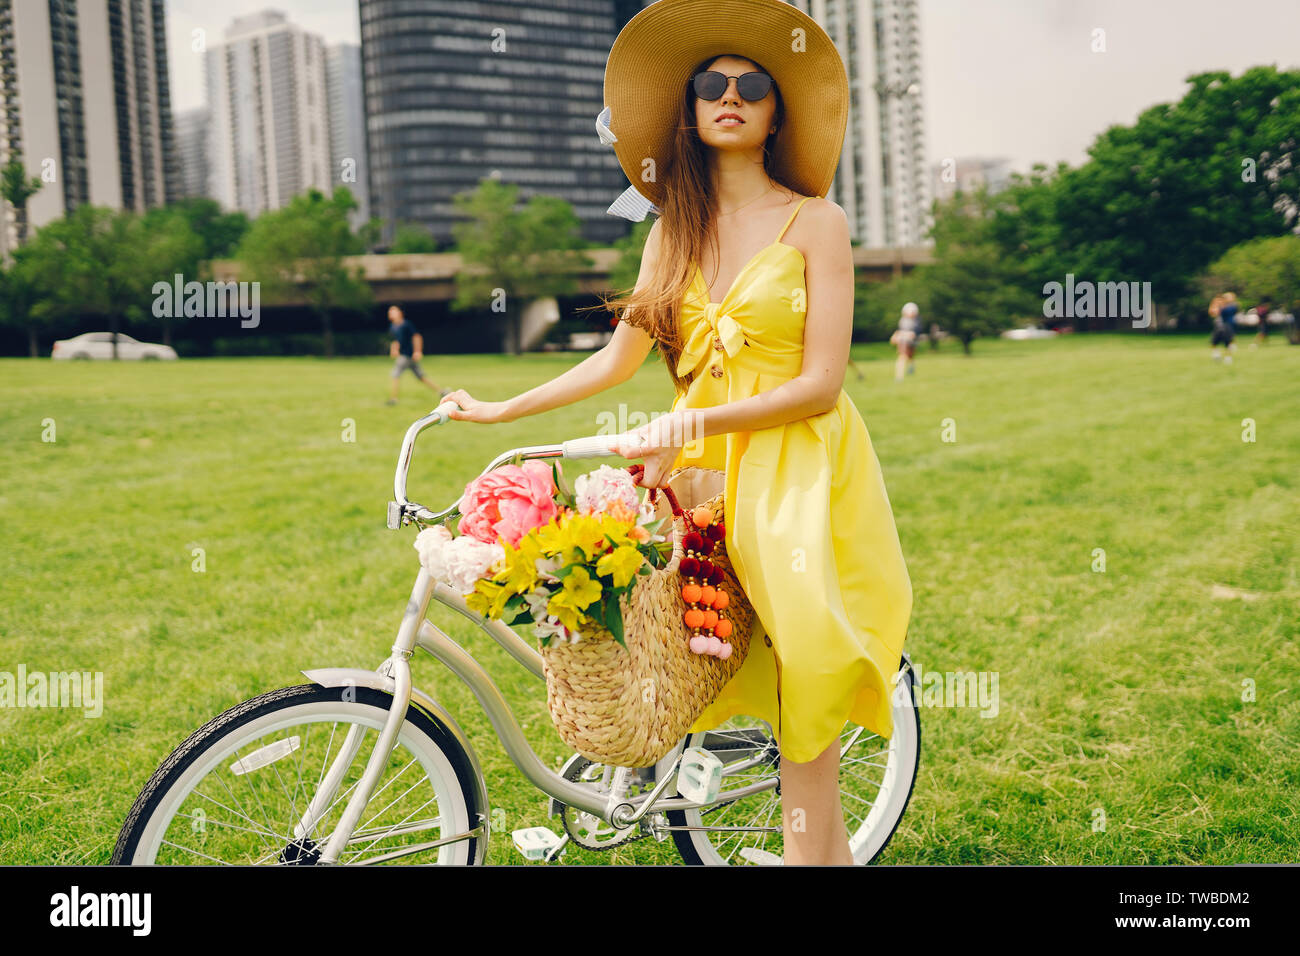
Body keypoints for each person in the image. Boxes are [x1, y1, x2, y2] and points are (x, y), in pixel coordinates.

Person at [440, 0, 911, 866]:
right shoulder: (672, 231)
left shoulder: (817, 223)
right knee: (696, 660)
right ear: (690, 112)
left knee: (804, 707)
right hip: (702, 474)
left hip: (799, 473)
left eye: (753, 85)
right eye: (710, 85)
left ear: (775, 113)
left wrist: (692, 416)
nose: (730, 96)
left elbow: (820, 385)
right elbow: (616, 363)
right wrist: (502, 410)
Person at [385, 304, 450, 404]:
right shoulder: (393, 327)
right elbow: (396, 340)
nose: (391, 313)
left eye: (393, 311)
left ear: (400, 313)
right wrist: (394, 349)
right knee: (421, 377)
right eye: (390, 312)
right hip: (404, 356)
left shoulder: (406, 324)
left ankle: (393, 399)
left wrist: (418, 351)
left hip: (407, 355)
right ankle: (442, 391)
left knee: (395, 374)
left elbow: (416, 337)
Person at [1210, 292, 1237, 364]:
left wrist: (1218, 304)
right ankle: (1216, 354)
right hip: (1218, 326)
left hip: (1227, 326)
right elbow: (1212, 313)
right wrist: (1215, 303)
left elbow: (1222, 311)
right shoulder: (1221, 305)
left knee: (1227, 343)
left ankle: (1228, 358)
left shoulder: (1232, 306)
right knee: (1213, 342)